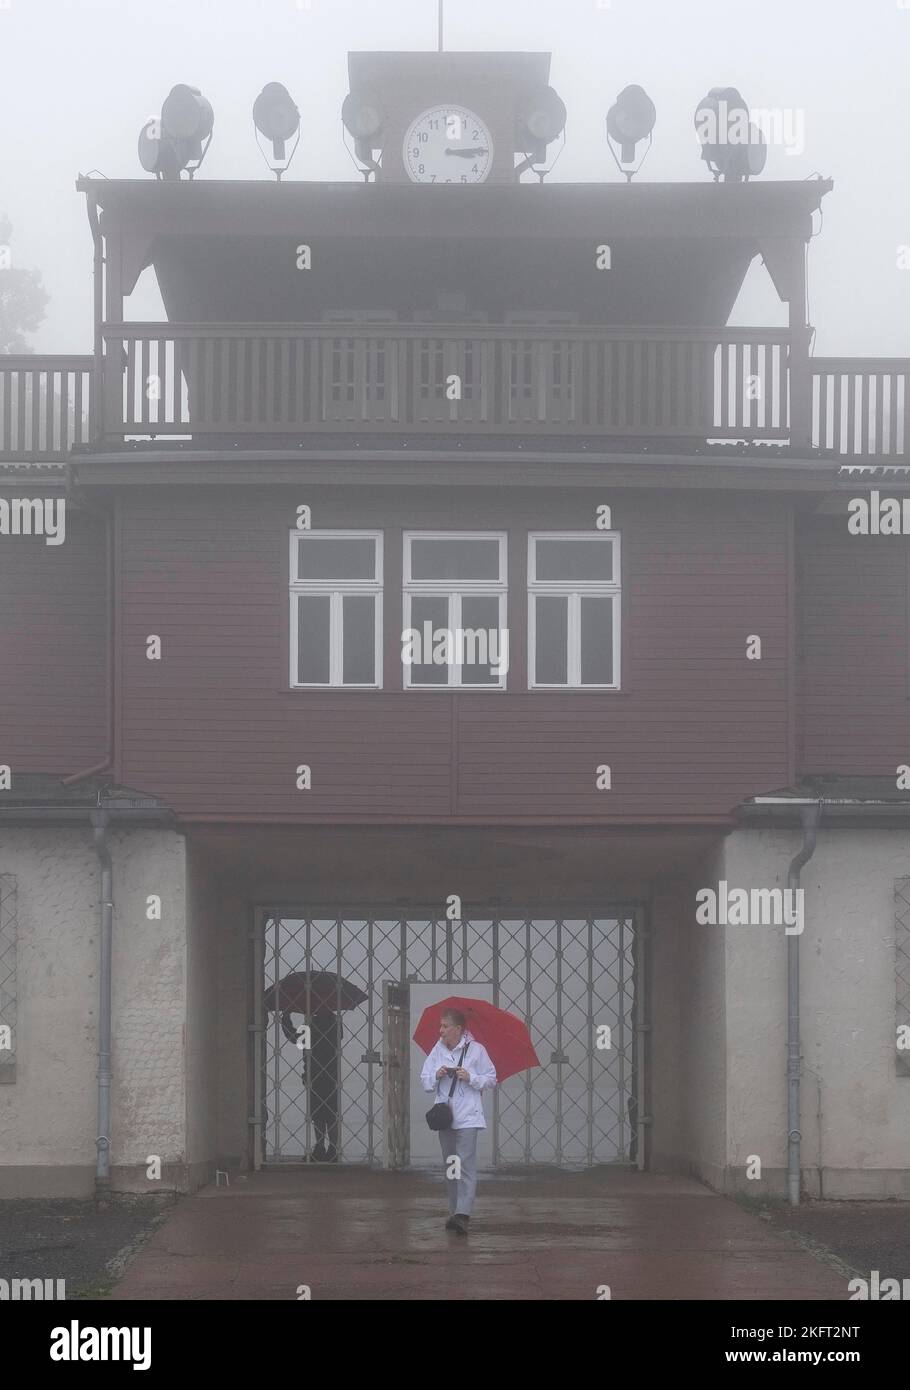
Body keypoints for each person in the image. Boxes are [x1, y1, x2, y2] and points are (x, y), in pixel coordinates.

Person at [420, 1008, 497, 1235]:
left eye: (445, 1026)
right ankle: (454, 1212)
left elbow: (492, 1079)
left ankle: (463, 1214)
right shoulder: (437, 1050)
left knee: (465, 1165)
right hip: (445, 1118)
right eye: (440, 1026)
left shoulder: (477, 1051)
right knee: (451, 1166)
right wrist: (437, 1074)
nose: (440, 1030)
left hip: (468, 1118)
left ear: (458, 1029)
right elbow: (424, 1081)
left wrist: (470, 1077)